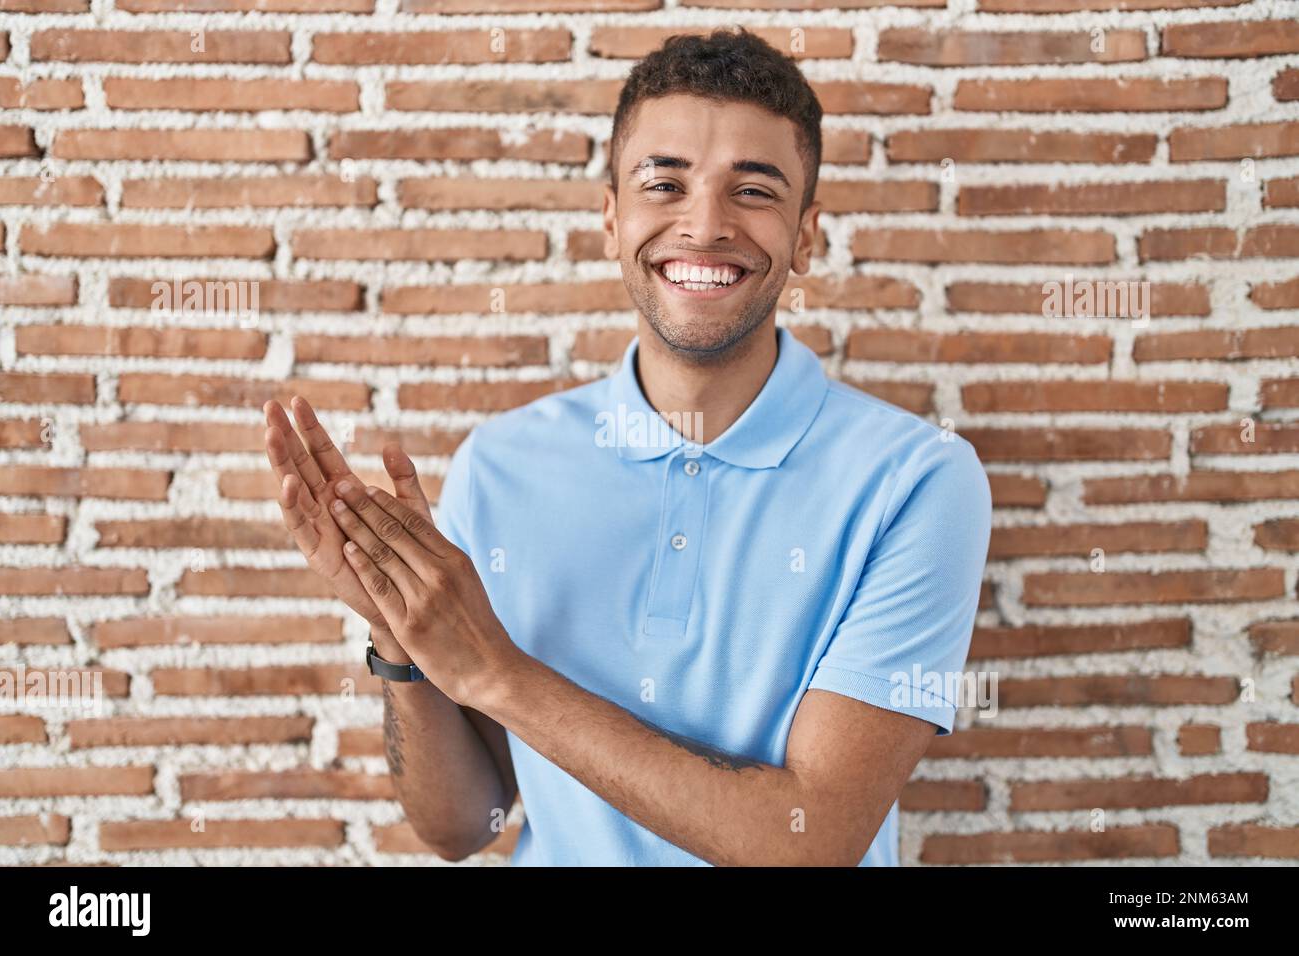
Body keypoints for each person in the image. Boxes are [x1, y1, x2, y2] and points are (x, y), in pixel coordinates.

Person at [264, 27, 992, 866]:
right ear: (612, 220)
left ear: (807, 236)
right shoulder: (499, 466)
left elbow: (813, 838)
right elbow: (467, 828)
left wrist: (496, 672)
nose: (706, 224)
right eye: (664, 183)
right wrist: (404, 634)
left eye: (754, 190)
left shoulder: (919, 480)